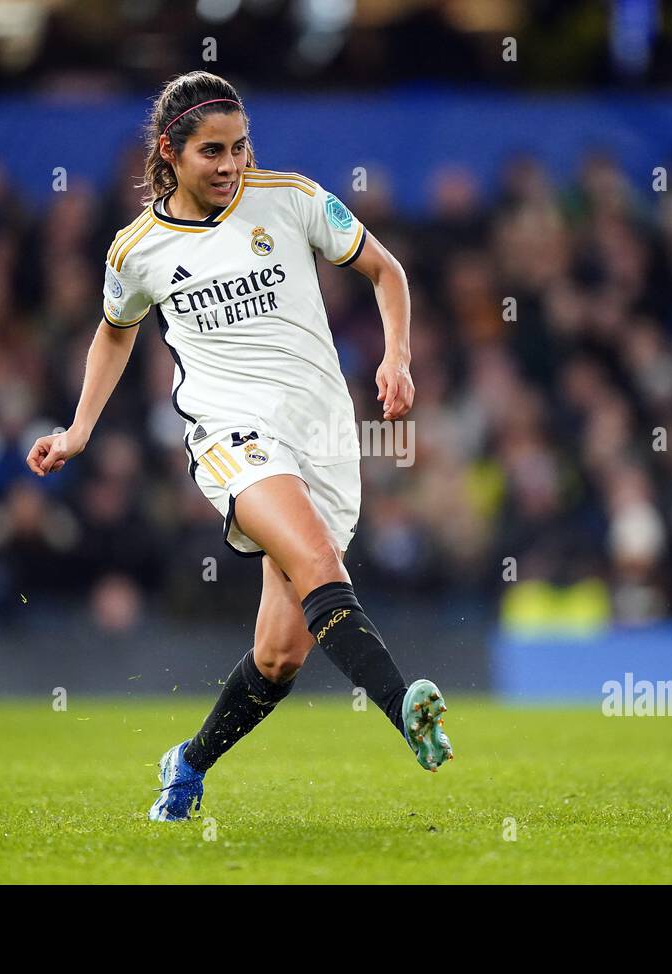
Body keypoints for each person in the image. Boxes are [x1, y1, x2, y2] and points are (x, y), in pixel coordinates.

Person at [26, 70, 453, 821]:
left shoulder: (289, 198)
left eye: (240, 146)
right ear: (171, 152)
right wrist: (80, 428)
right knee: (319, 561)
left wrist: (397, 356)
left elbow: (387, 272)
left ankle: (187, 763)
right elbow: (112, 334)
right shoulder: (139, 250)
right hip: (231, 435)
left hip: (323, 437)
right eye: (213, 152)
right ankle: (404, 704)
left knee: (281, 656)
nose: (231, 165)